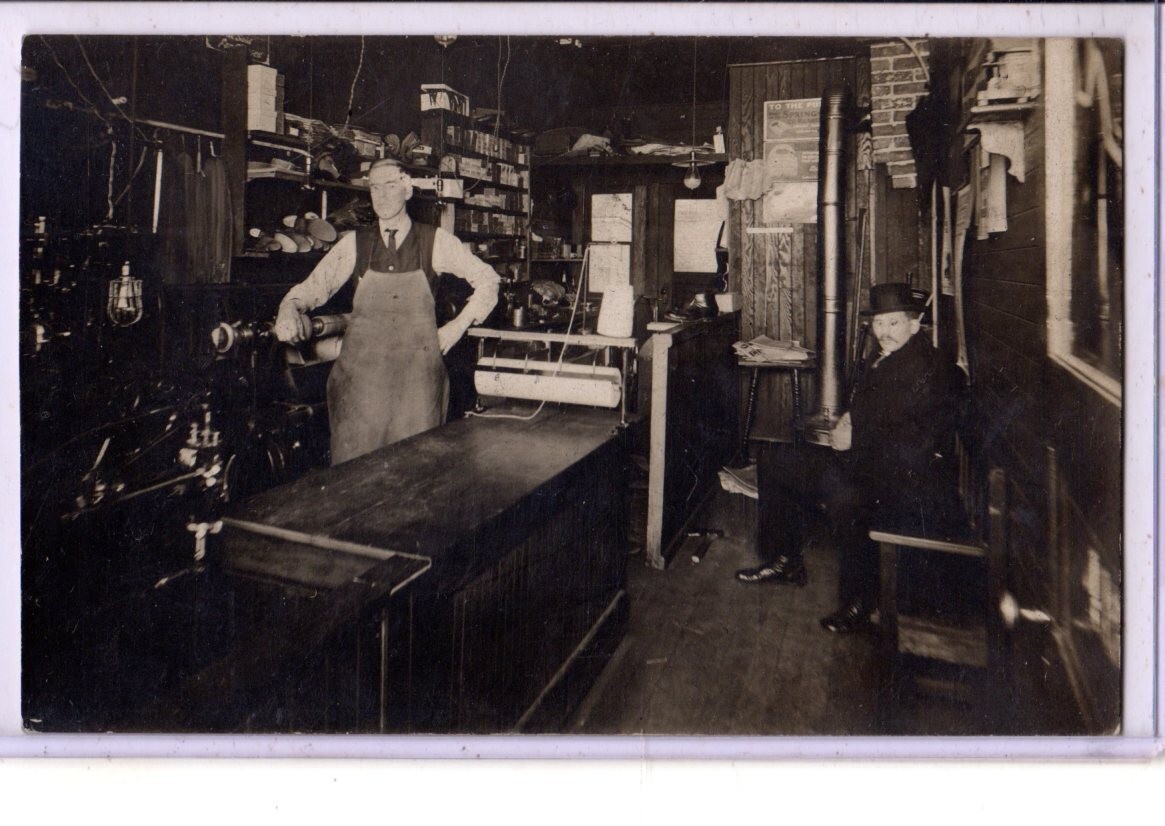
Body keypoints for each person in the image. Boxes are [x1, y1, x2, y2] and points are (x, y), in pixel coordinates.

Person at [736, 282, 962, 633]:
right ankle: (784, 560)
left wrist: (857, 437)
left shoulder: (929, 369)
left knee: (846, 499)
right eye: (879, 324)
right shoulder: (888, 355)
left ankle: (861, 600)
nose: (883, 332)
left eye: (894, 324)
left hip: (902, 477)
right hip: (864, 460)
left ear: (915, 324)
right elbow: (872, 408)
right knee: (775, 460)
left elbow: (917, 443)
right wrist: (850, 420)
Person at [273, 157, 499, 464]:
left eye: (390, 186)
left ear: (407, 189)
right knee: (354, 483)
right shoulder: (354, 244)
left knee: (416, 478)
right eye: (374, 188)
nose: (380, 195)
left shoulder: (434, 241)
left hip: (417, 390)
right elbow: (308, 291)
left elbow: (489, 281)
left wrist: (455, 328)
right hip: (362, 391)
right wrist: (289, 308)